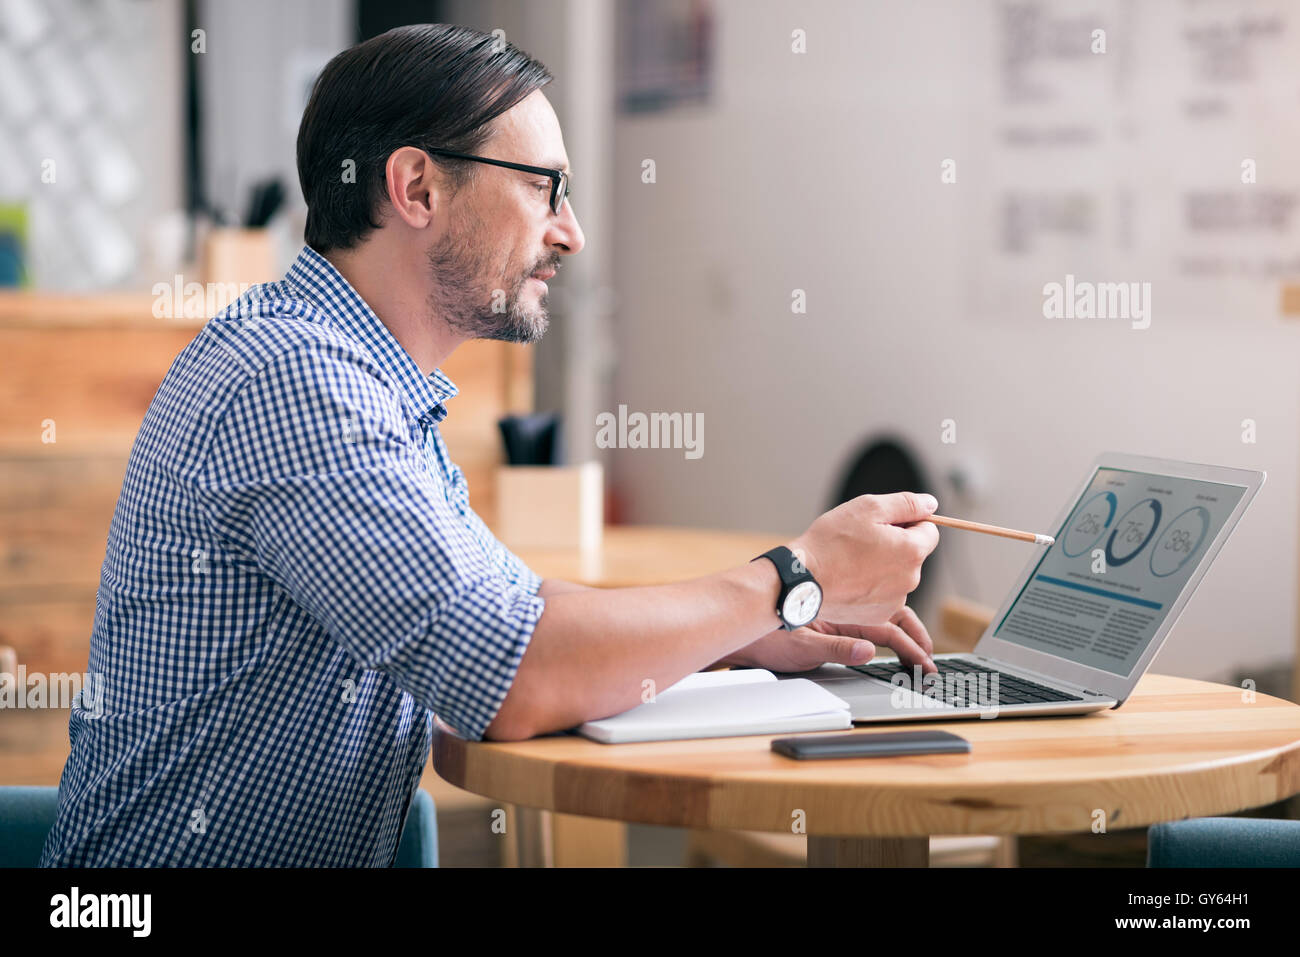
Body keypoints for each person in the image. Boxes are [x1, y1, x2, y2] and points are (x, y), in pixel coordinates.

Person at [41, 23, 938, 867]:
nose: (571, 232)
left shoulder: (365, 379)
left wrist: (745, 632)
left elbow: (521, 612)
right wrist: (793, 572)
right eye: (545, 186)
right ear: (418, 188)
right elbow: (516, 675)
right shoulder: (296, 380)